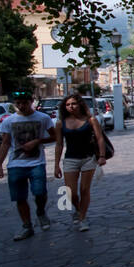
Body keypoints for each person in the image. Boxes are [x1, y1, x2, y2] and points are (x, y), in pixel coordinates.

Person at [0, 90, 57, 241]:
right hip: (16, 164)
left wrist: (38, 141)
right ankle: (27, 226)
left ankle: (41, 212)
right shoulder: (9, 121)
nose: (21, 106)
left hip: (36, 162)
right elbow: (5, 143)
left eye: (24, 103)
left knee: (40, 192)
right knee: (19, 197)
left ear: (31, 102)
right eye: (18, 103)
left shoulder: (43, 118)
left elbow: (55, 136)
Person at [53, 92, 107, 232]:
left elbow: (100, 138)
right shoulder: (61, 123)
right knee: (70, 192)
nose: (71, 106)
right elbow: (59, 144)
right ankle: (78, 209)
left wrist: (101, 156)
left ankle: (82, 218)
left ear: (80, 104)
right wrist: (56, 165)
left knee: (84, 189)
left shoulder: (90, 120)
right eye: (68, 104)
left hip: (88, 158)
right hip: (70, 159)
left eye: (73, 103)